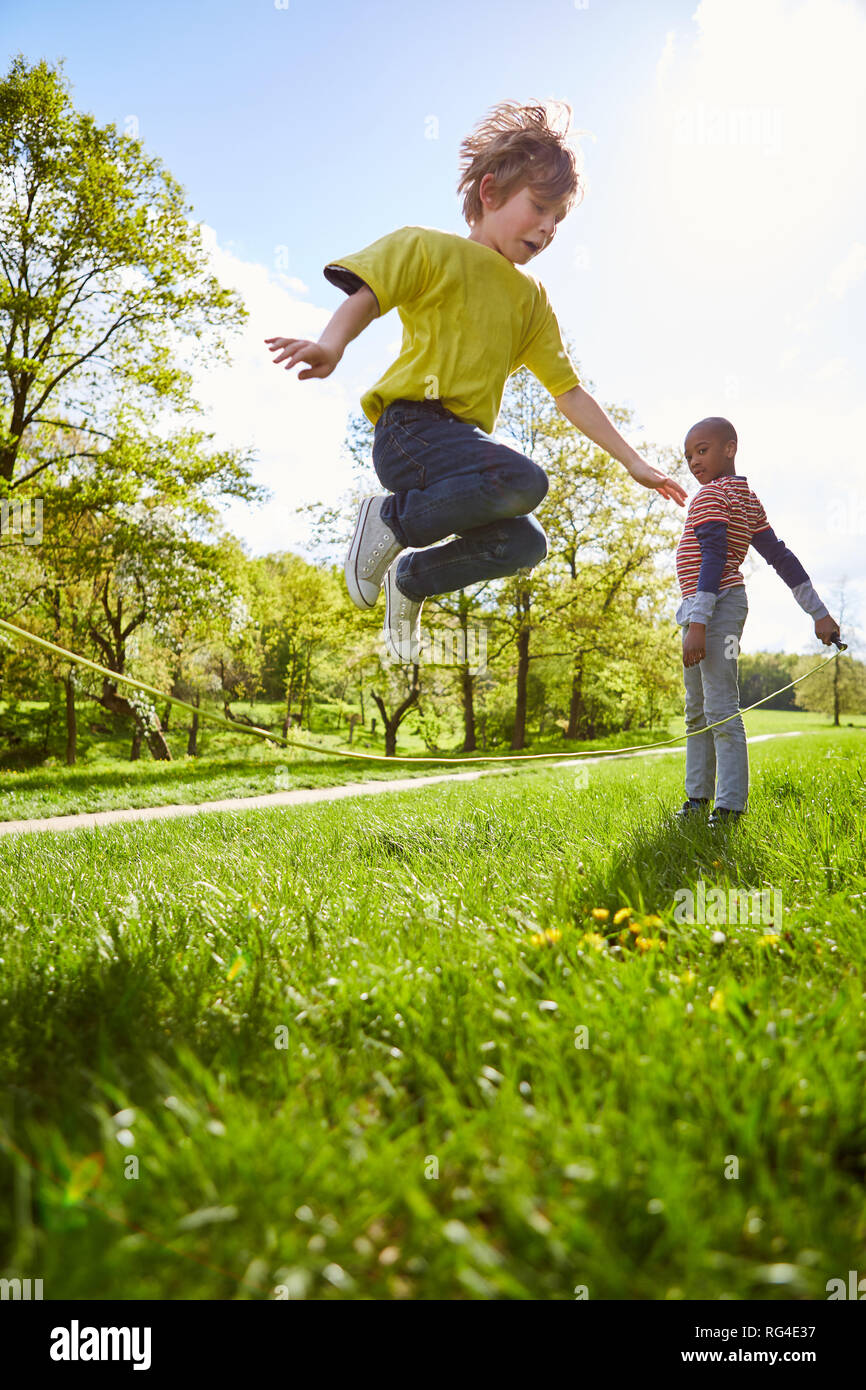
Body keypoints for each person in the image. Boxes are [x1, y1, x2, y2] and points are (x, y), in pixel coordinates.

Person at [266, 99, 686, 662]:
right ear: (490, 193)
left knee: (524, 542)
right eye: (540, 207)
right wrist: (330, 345)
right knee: (523, 480)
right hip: (410, 433)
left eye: (558, 220)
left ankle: (412, 579)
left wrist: (633, 461)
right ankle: (388, 520)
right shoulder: (428, 248)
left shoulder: (531, 299)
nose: (548, 228)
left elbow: (568, 392)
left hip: (463, 452)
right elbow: (368, 296)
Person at [675, 415, 838, 827]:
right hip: (701, 608)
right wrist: (819, 613)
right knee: (697, 709)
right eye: (688, 456)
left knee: (720, 707)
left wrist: (699, 624)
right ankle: (697, 799)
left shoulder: (713, 495)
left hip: (715, 610)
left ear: (730, 448)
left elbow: (715, 559)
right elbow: (781, 557)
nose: (694, 462)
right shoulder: (745, 497)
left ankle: (729, 807)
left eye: (702, 450)